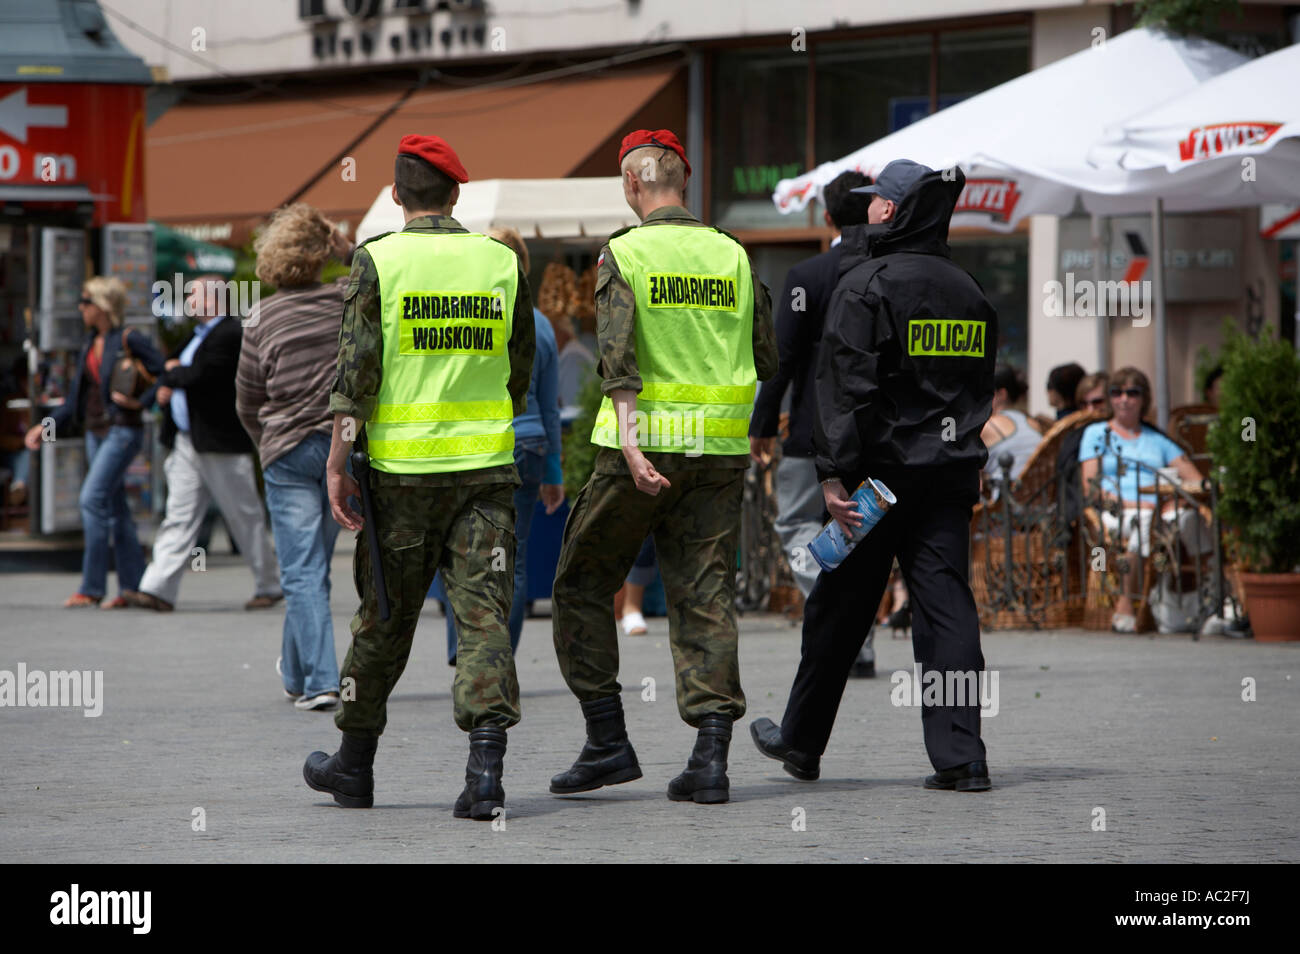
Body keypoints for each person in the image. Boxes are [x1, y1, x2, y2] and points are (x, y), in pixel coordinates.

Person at [302, 134, 535, 820]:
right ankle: (485, 771)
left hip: (400, 476)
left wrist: (338, 463)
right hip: (486, 471)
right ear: (456, 194)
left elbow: (356, 377)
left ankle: (354, 765)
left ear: (398, 195)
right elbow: (519, 371)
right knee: (484, 614)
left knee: (384, 617)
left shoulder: (377, 260)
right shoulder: (501, 261)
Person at [749, 159, 998, 793]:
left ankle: (802, 743)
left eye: (876, 202)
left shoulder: (867, 284)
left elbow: (844, 390)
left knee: (837, 608)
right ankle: (962, 755)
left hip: (874, 485)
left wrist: (833, 478)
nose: (869, 209)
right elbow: (978, 393)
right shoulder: (969, 288)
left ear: (890, 211)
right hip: (945, 477)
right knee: (947, 613)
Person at [549, 128, 776, 805]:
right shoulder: (732, 253)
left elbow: (616, 353)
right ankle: (710, 759)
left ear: (634, 184)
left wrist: (630, 441)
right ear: (685, 180)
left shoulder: (625, 251)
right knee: (704, 594)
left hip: (643, 445)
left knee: (582, 584)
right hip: (719, 450)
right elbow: (767, 353)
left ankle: (607, 740)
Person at [749, 170, 879, 677]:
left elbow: (781, 359)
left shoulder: (808, 277)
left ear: (826, 217)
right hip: (876, 433)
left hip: (810, 431)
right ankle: (861, 645)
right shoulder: (890, 268)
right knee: (860, 532)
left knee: (795, 524)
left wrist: (762, 424)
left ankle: (832, 600)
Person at [236, 204, 349, 710]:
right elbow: (377, 269)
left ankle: (319, 681)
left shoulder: (260, 316)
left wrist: (265, 442)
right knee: (313, 566)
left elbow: (247, 398)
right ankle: (303, 674)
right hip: (337, 450)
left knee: (302, 570)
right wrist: (344, 247)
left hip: (284, 451)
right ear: (322, 252)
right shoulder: (346, 300)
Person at [442, 225, 565, 665]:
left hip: (477, 447)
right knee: (513, 558)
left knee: (460, 551)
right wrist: (554, 472)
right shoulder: (543, 325)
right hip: (528, 448)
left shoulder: (469, 312)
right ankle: (499, 659)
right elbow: (550, 408)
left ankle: (464, 648)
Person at [126, 276, 281, 614]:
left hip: (220, 441)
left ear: (212, 299)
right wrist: (171, 378)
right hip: (188, 440)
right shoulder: (196, 337)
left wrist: (173, 376)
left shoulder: (229, 333)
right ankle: (157, 589)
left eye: (192, 294)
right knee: (179, 515)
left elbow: (202, 375)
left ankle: (269, 584)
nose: (187, 299)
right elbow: (171, 371)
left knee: (244, 515)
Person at [25, 277, 164, 607]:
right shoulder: (91, 343)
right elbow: (74, 400)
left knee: (91, 498)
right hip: (95, 431)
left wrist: (141, 403)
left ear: (102, 306)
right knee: (116, 511)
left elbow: (165, 372)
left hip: (122, 430)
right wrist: (43, 427)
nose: (80, 307)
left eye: (86, 301)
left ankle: (92, 587)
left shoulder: (128, 338)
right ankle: (132, 587)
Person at [1078, 366, 1206, 633]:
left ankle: (1210, 598)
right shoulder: (1096, 434)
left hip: (1159, 509)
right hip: (1114, 510)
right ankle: (1127, 603)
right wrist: (1134, 504)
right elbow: (1090, 487)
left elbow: (1194, 480)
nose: (1124, 398)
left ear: (1143, 399)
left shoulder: (1156, 439)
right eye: (1117, 392)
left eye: (1132, 393)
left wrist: (1177, 500)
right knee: (1142, 519)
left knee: (1194, 518)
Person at [980, 363, 1040, 493]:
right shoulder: (1033, 423)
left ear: (1001, 394)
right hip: (1038, 499)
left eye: (983, 392)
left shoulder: (988, 426)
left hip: (1003, 506)